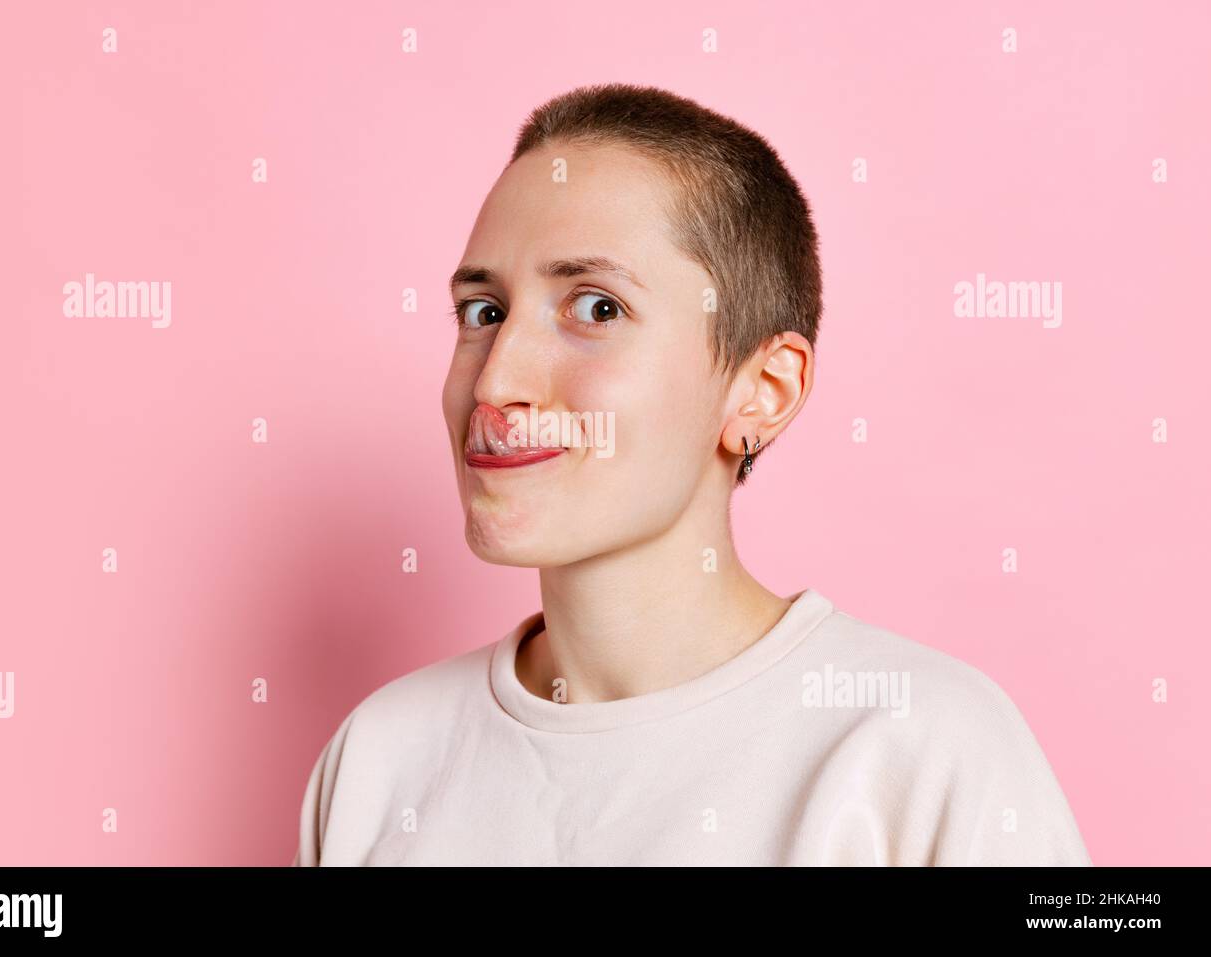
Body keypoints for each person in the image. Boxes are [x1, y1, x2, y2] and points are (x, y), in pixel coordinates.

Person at [293, 82, 1091, 866]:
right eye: (484, 312)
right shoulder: (379, 757)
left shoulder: (922, 749)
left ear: (761, 391)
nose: (496, 384)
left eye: (596, 307)